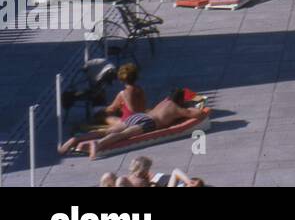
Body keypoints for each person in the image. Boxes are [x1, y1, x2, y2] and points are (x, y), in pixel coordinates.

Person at [60, 88, 205, 159]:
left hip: (139, 116)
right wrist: (192, 103)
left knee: (108, 130)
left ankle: (76, 139)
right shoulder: (177, 108)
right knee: (123, 135)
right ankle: (98, 144)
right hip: (149, 122)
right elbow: (198, 113)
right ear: (180, 100)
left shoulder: (164, 101)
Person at [96, 63, 147, 128]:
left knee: (107, 118)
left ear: (121, 79)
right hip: (142, 118)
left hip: (129, 122)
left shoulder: (122, 94)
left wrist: (100, 110)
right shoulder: (140, 90)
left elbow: (111, 109)